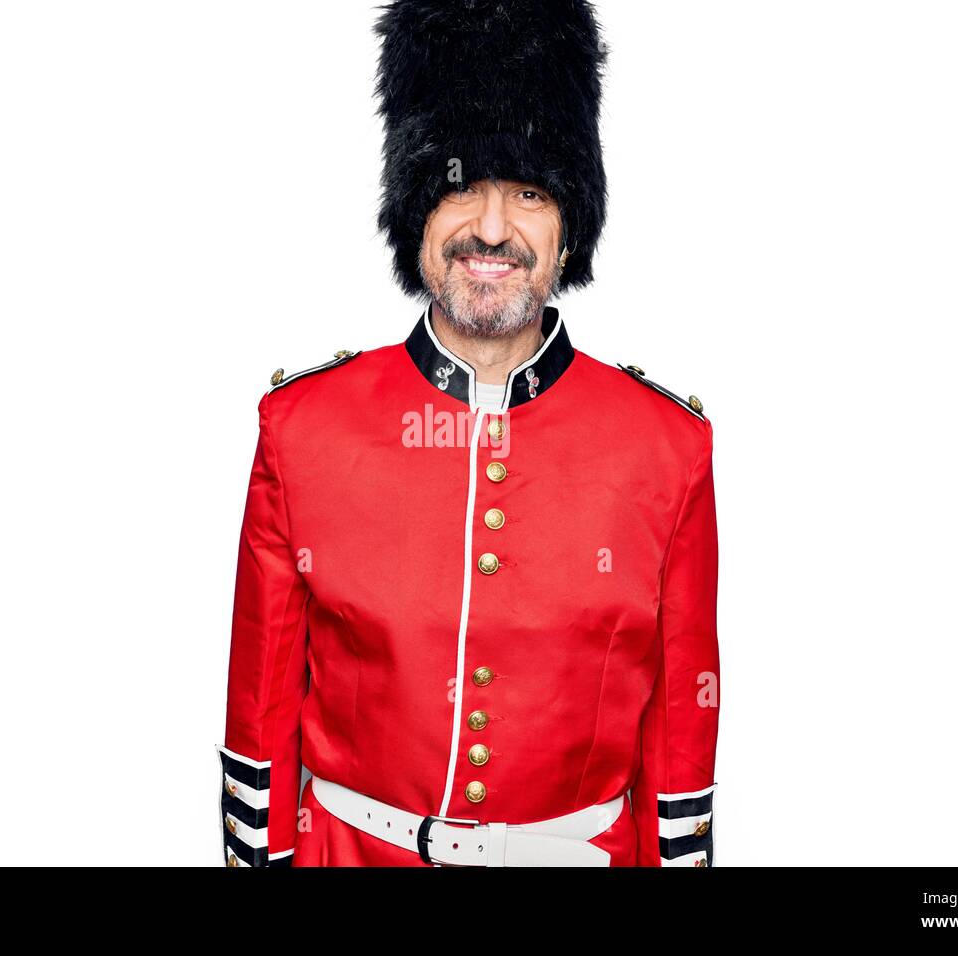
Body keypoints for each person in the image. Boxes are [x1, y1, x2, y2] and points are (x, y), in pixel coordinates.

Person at [217, 0, 720, 867]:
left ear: (570, 228)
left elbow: (679, 743)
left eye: (528, 193)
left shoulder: (666, 449)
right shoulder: (301, 429)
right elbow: (259, 714)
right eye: (459, 187)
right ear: (416, 209)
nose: (491, 229)